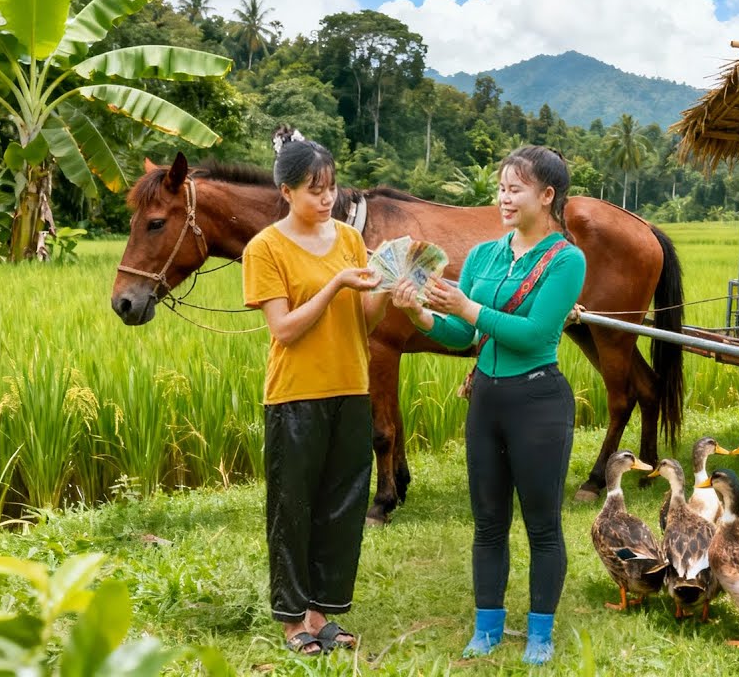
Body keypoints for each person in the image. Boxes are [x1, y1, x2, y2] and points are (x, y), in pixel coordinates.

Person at [391, 145, 586, 665]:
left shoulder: (566, 259)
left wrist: (468, 306)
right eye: (501, 187)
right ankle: (488, 626)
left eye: (515, 188)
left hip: (539, 400)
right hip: (488, 402)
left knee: (542, 523)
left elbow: (536, 332)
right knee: (488, 521)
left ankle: (540, 632)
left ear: (546, 196)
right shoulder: (483, 255)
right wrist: (421, 317)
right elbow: (460, 335)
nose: (503, 197)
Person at [241, 130, 392, 655]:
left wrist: (387, 292)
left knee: (342, 505)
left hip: (351, 388)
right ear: (286, 191)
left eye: (331, 188)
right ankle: (291, 621)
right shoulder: (265, 248)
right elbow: (283, 330)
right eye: (313, 189)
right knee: (293, 506)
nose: (327, 199)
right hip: (295, 396)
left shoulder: (350, 240)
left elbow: (364, 321)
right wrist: (334, 286)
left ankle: (321, 613)